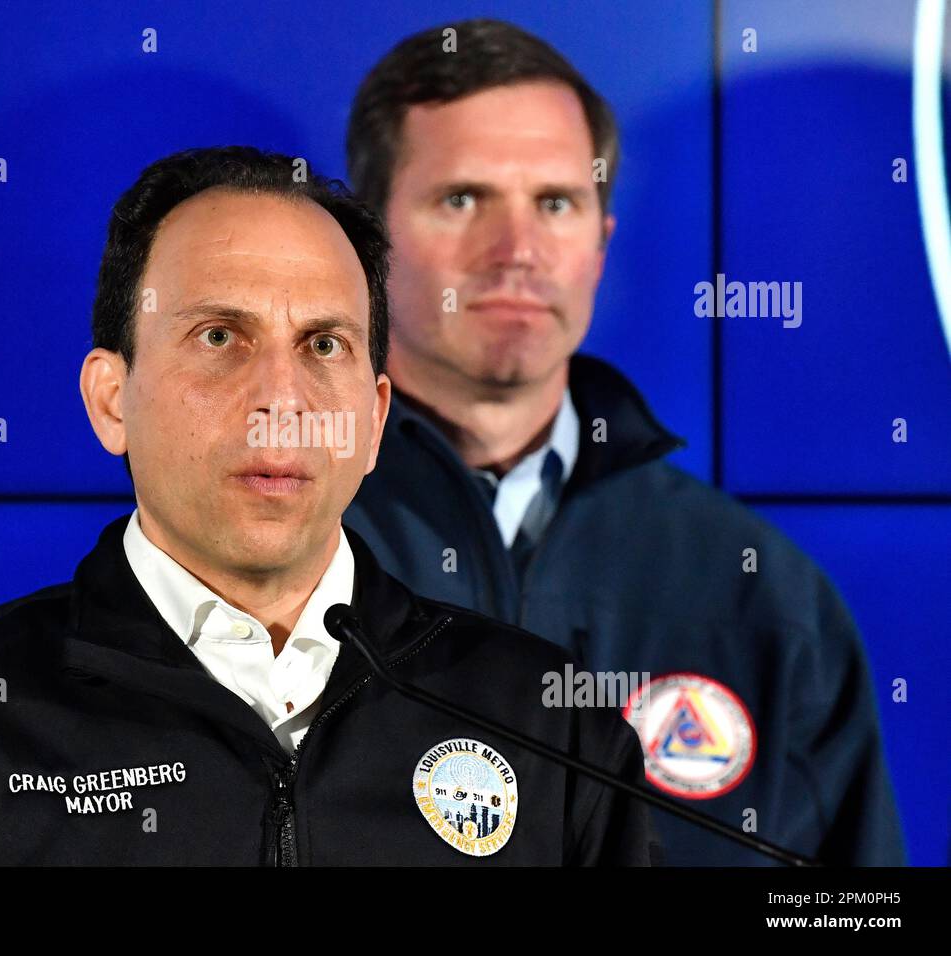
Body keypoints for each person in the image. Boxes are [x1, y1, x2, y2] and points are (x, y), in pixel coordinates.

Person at [0, 146, 658, 866]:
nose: (280, 397)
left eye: (323, 344)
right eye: (221, 336)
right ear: (113, 399)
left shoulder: (548, 726)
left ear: (375, 418)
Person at [341, 18, 904, 865]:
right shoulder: (264, 547)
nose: (517, 252)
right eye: (462, 199)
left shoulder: (759, 593)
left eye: (556, 203)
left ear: (602, 241)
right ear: (368, 241)